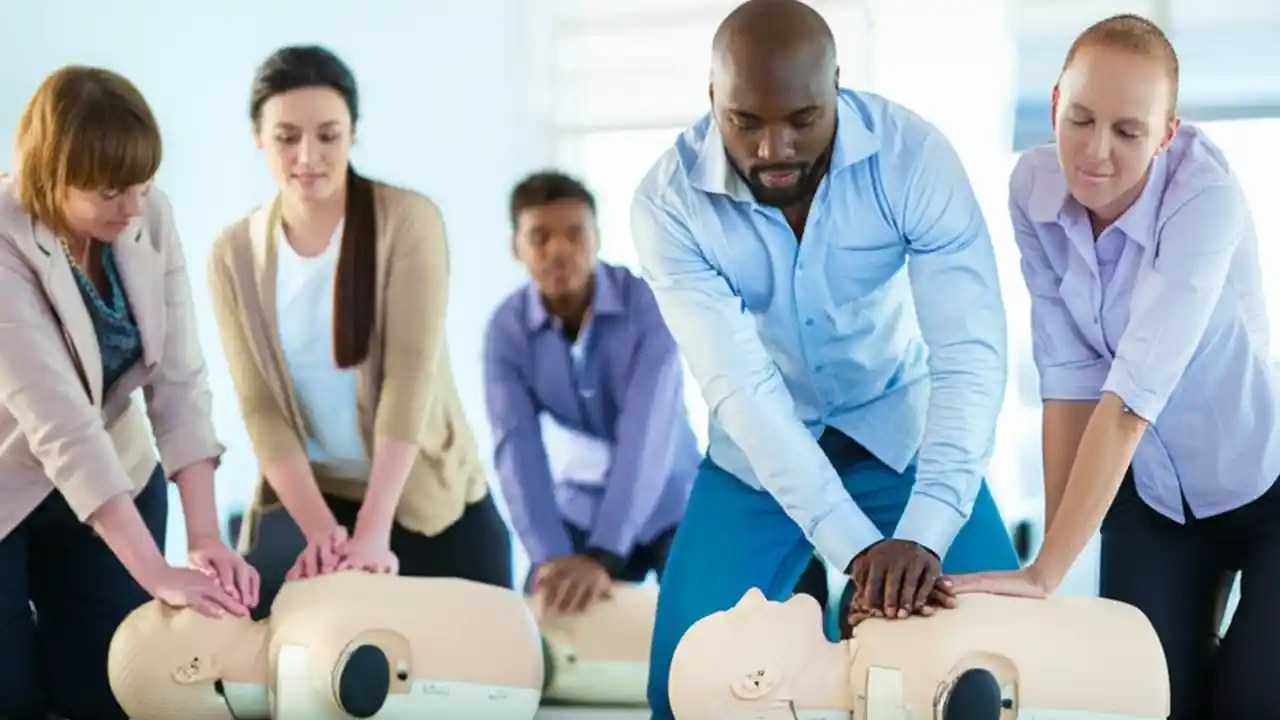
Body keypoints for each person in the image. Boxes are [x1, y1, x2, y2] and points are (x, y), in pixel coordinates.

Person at [629, 0, 1019, 715]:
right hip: (756, 462)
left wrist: (925, 531)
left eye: (802, 119)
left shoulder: (912, 159)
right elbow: (742, 390)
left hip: (898, 437)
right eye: (746, 121)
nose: (774, 149)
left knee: (1005, 667)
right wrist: (857, 552)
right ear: (712, 99)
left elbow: (969, 353)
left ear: (837, 84)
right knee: (680, 690)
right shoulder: (669, 204)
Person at [948, 14, 1280, 719]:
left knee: (1249, 703)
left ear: (1166, 134)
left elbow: (1130, 399)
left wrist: (1043, 576)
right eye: (1080, 120)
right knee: (1150, 701)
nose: (1095, 153)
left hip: (1264, 487)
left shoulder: (1204, 200)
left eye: (1128, 131)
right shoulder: (1032, 190)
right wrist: (1051, 579)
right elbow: (1066, 375)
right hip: (1154, 499)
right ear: (1054, 107)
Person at [208, 45, 512, 615]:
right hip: (317, 508)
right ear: (258, 136)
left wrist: (374, 532)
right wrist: (324, 534)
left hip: (428, 505)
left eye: (328, 135)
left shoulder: (407, 220)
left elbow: (409, 379)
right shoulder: (234, 254)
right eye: (286, 136)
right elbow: (260, 407)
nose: (308, 156)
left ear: (353, 132)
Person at [0, 65, 257, 720]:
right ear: (52, 177)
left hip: (117, 470)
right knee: (14, 697)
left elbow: (178, 376)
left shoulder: (149, 214)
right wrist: (156, 572)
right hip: (11, 488)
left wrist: (203, 536)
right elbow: (59, 421)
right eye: (113, 190)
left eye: (141, 184)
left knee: (108, 691)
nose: (134, 206)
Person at [483, 171, 700, 614]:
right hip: (582, 504)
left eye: (575, 234)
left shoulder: (649, 306)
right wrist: (552, 556)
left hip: (670, 499)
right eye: (540, 236)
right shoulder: (506, 330)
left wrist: (604, 555)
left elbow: (647, 435)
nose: (559, 250)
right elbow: (516, 449)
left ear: (597, 237)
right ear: (515, 246)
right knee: (544, 607)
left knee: (698, 613)